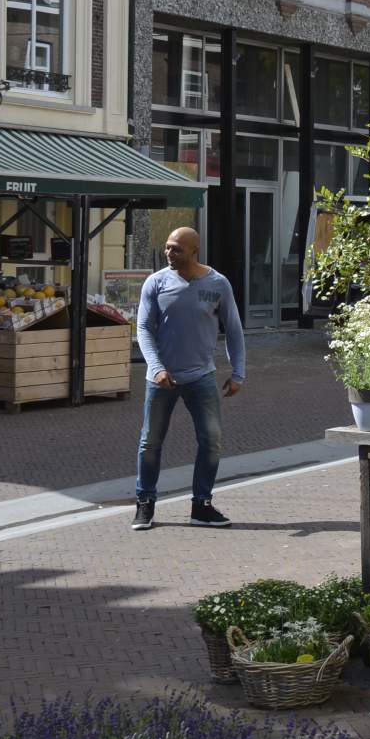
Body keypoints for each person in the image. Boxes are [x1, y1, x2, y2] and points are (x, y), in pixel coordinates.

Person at [130, 226, 246, 531]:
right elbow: (143, 328)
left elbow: (233, 329)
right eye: (167, 247)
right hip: (161, 379)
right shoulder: (155, 283)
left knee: (211, 441)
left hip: (201, 377)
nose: (169, 253)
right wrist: (156, 367)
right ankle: (145, 504)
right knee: (150, 442)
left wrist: (238, 373)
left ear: (194, 251)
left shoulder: (217, 284)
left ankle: (201, 506)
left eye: (176, 249)